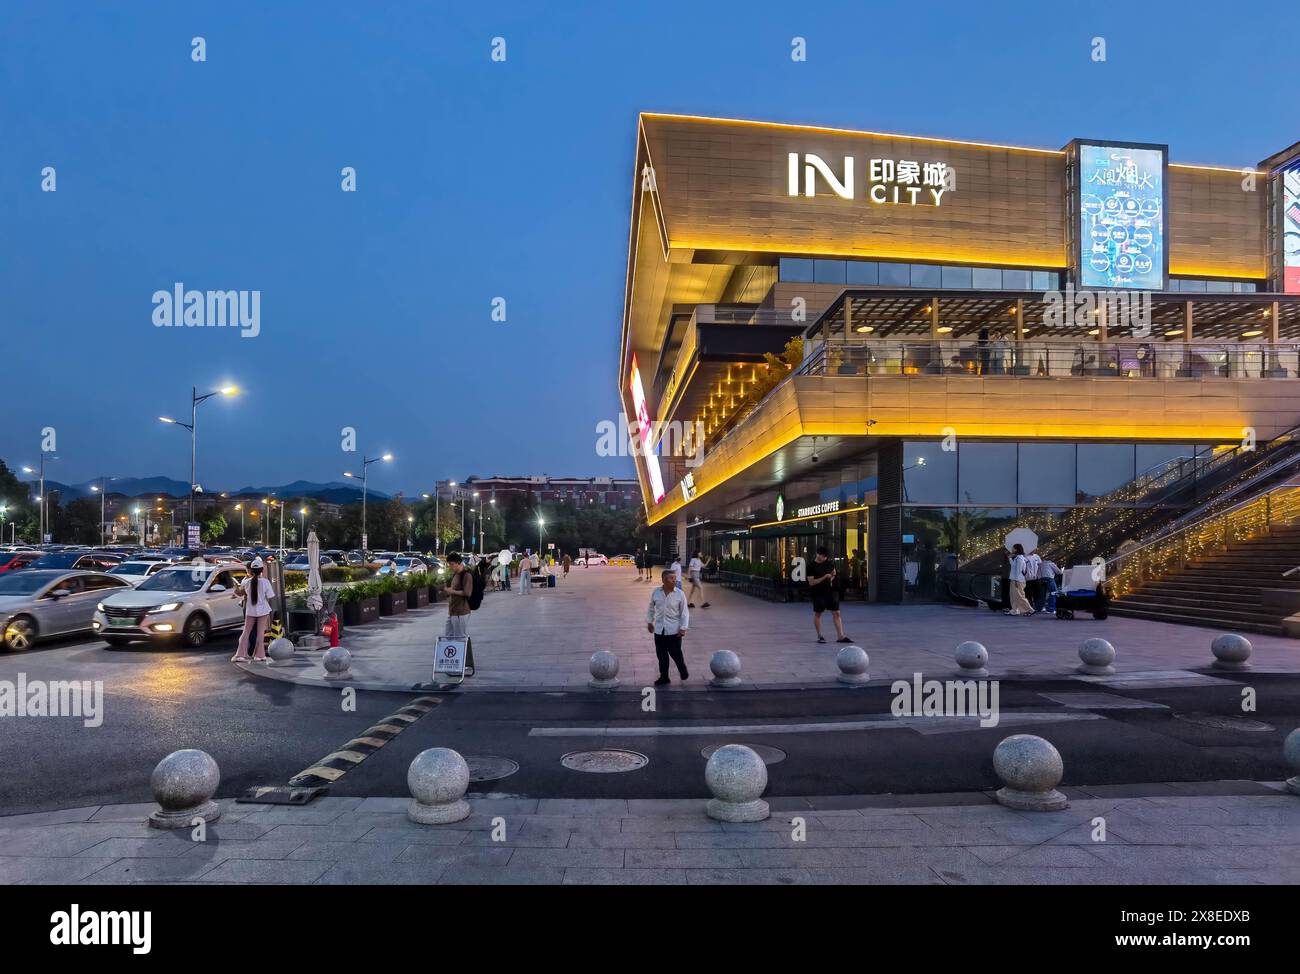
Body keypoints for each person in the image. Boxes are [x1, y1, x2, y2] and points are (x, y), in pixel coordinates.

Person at [646, 569, 689, 686]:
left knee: (676, 653)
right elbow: (651, 608)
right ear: (664, 580)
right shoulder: (656, 592)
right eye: (671, 578)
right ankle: (664, 677)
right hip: (659, 630)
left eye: (675, 578)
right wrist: (649, 622)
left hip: (674, 630)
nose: (674, 581)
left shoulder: (680, 594)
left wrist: (683, 627)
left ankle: (682, 669)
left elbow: (684, 613)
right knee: (661, 655)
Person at [232, 557, 276, 663]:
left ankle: (240, 655)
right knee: (260, 633)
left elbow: (239, 593)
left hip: (250, 610)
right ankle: (259, 655)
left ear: (251, 570)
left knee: (246, 632)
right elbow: (270, 596)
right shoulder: (266, 582)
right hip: (263, 610)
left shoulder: (246, 582)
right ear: (262, 570)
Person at [807, 547, 852, 644]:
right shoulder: (811, 566)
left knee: (836, 613)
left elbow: (833, 573)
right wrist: (824, 577)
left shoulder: (829, 563)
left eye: (826, 557)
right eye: (823, 557)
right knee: (818, 613)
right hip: (818, 593)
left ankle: (841, 636)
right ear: (818, 555)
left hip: (830, 592)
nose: (825, 559)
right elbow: (811, 582)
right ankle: (820, 636)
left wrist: (831, 577)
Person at [441, 552, 473, 638]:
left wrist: (452, 591)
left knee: (460, 637)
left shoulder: (466, 575)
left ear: (459, 563)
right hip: (452, 611)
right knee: (448, 636)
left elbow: (467, 593)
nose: (450, 567)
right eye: (449, 564)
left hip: (461, 611)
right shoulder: (455, 575)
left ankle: (463, 651)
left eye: (452, 564)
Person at [1006, 543, 1033, 616]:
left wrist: (1016, 581)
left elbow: (1018, 570)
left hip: (1017, 580)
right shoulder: (1018, 558)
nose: (1012, 549)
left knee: (1020, 596)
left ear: (1016, 549)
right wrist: (1010, 558)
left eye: (1013, 548)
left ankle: (1030, 609)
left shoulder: (1020, 558)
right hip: (1015, 579)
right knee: (1013, 596)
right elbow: (1013, 566)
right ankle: (1015, 610)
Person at [1023, 548, 1043, 615]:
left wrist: (1039, 576)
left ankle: (1037, 606)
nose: (1033, 550)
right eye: (1031, 549)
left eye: (1034, 549)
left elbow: (1040, 566)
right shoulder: (1025, 557)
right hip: (1027, 578)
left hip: (1036, 578)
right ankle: (1030, 607)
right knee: (1028, 593)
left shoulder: (1037, 556)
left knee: (1037, 593)